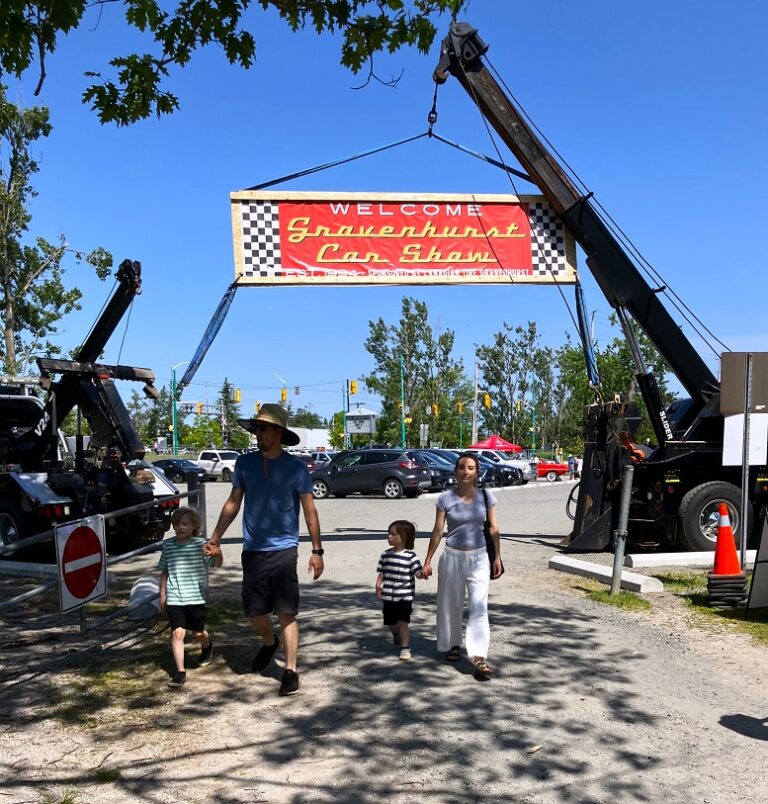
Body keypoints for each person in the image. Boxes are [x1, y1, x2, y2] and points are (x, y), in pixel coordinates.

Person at [204, 403, 323, 697]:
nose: (257, 433)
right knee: (255, 612)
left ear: (278, 432)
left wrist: (317, 550)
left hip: (284, 549)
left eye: (263, 428)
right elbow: (233, 503)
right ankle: (270, 642)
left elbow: (310, 511)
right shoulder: (245, 464)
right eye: (255, 428)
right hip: (253, 549)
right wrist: (216, 537)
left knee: (286, 610)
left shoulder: (295, 468)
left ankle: (291, 670)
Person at [422, 452, 502, 682]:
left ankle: (478, 657)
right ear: (455, 471)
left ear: (477, 472)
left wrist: (497, 557)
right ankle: (452, 644)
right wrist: (428, 560)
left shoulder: (486, 497)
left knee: (479, 607)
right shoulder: (445, 499)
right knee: (450, 605)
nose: (465, 471)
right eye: (461, 467)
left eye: (470, 468)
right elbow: (438, 531)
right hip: (452, 558)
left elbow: (494, 528)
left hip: (479, 559)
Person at [159, 506, 222, 688]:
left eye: (185, 524)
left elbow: (216, 564)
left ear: (194, 526)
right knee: (177, 633)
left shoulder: (200, 545)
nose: (180, 527)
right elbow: (164, 571)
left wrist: (218, 553)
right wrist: (162, 594)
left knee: (197, 633)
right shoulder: (168, 547)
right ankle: (180, 672)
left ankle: (207, 645)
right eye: (177, 524)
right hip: (175, 597)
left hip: (195, 597)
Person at [376, 520, 424, 661]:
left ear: (403, 537)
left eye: (393, 534)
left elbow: (417, 573)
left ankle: (405, 647)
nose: (388, 536)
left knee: (403, 621)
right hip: (389, 596)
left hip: (405, 597)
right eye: (388, 533)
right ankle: (395, 633)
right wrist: (378, 584)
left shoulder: (411, 556)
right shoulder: (385, 555)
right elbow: (382, 572)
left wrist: (423, 573)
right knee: (390, 622)